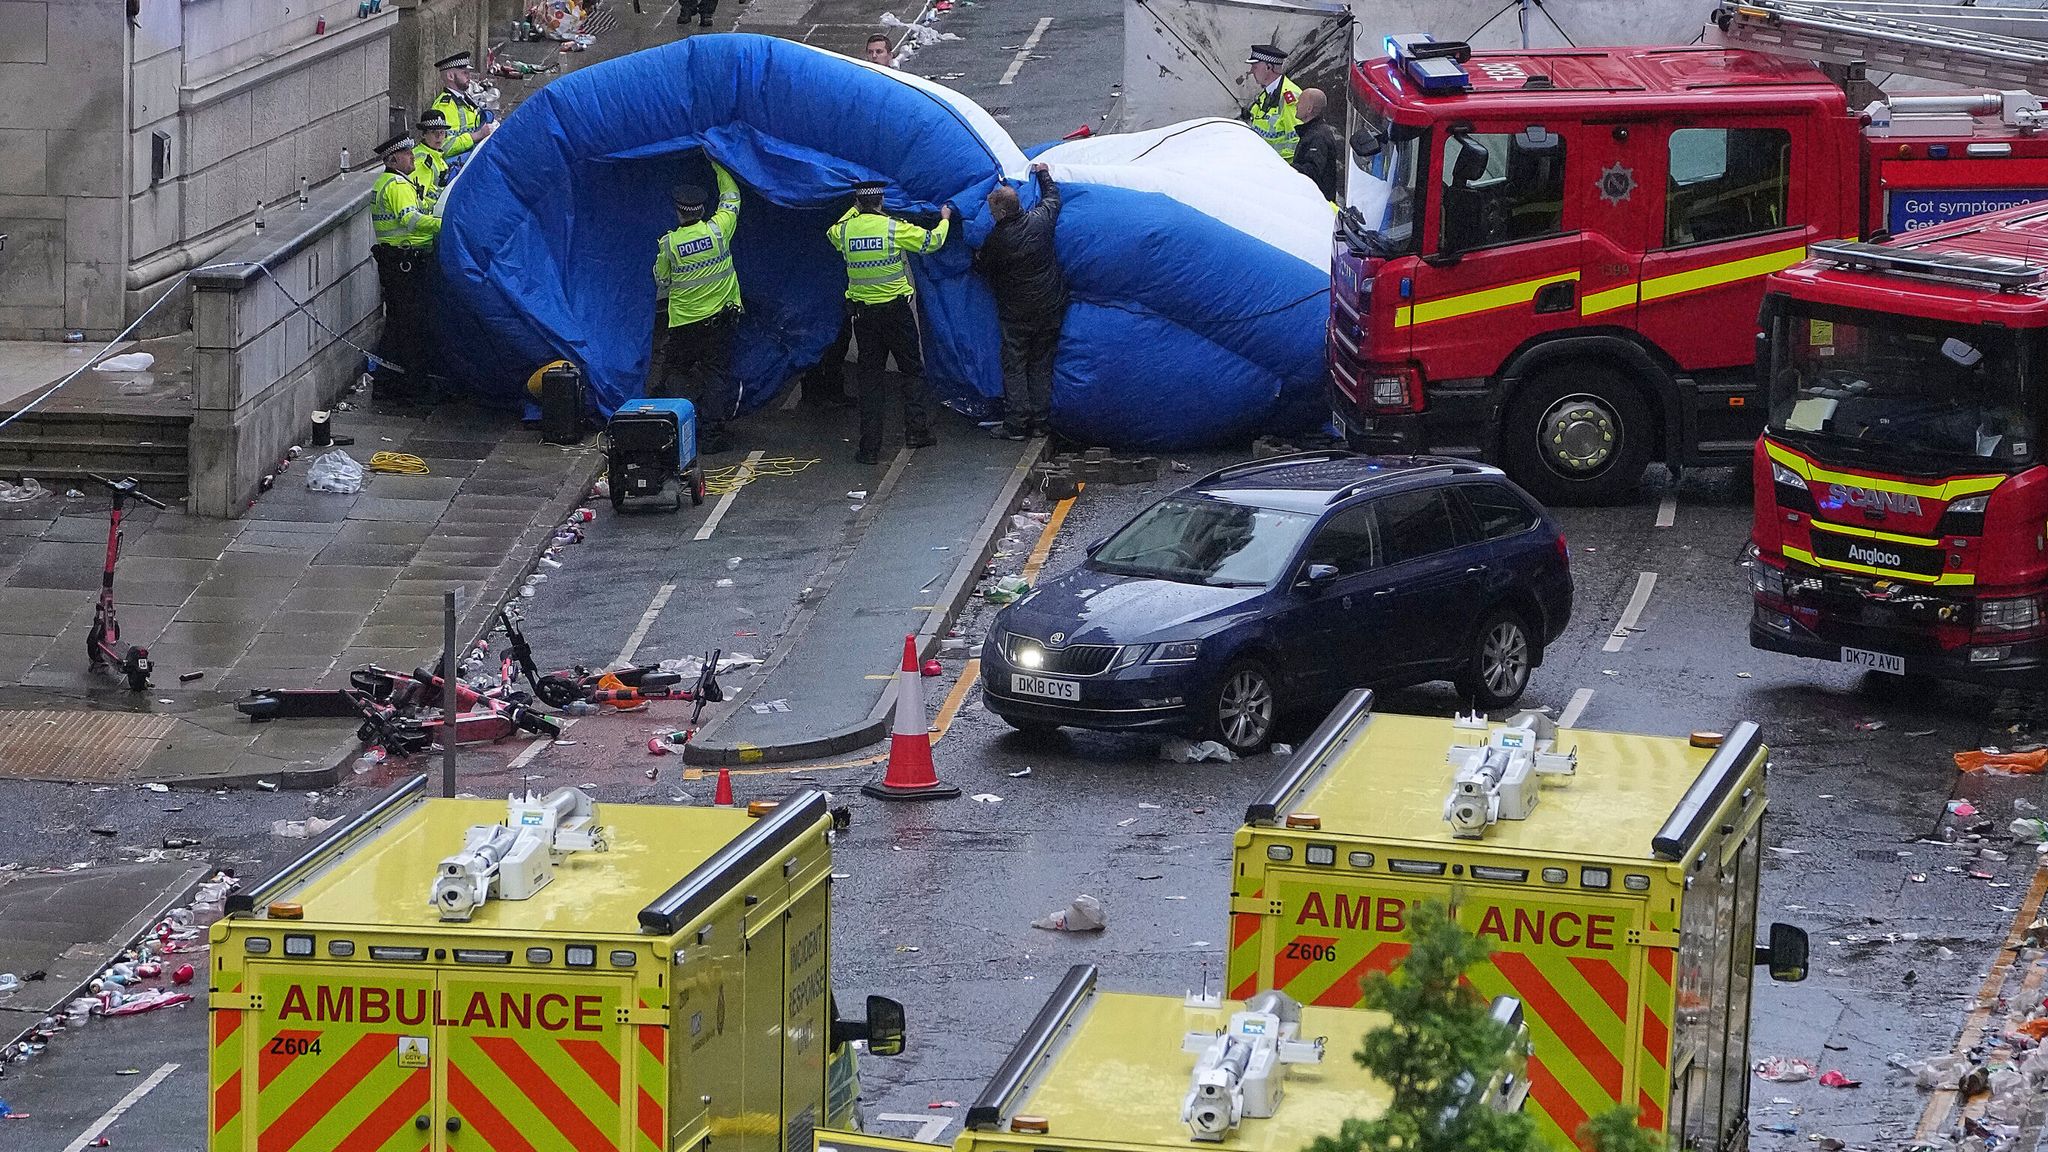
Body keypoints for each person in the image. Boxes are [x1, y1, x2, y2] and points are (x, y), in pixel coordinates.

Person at [827, 179, 952, 464]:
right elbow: (932, 242)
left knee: (870, 380)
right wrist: (944, 220)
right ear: (881, 201)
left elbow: (832, 231)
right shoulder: (894, 228)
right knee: (911, 371)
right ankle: (916, 431)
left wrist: (854, 209)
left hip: (865, 316)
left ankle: (869, 448)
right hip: (896, 313)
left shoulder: (844, 231)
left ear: (858, 203)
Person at [652, 162, 745, 454]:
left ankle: (673, 429)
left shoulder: (669, 244)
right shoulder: (719, 231)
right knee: (716, 375)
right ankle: (713, 436)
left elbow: (662, 280)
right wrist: (718, 162)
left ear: (678, 211)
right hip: (719, 320)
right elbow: (732, 198)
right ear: (703, 210)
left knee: (674, 373)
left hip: (683, 325)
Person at [975, 162, 1065, 440]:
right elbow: (1054, 198)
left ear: (1002, 212)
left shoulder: (997, 240)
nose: (991, 216)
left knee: (1015, 366)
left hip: (1017, 315)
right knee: (1041, 364)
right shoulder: (1040, 221)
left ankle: (1016, 424)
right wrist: (1044, 173)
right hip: (1050, 306)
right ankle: (1039, 423)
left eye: (992, 212)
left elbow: (982, 266)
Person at [369, 133, 441, 404]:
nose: (413, 157)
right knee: (410, 325)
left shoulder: (385, 182)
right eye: (407, 154)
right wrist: (442, 224)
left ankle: (393, 382)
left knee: (399, 324)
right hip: (404, 264)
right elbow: (410, 221)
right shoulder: (397, 185)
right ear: (393, 159)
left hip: (396, 262)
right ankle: (407, 385)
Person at [430, 53, 496, 181]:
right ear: (450, 76)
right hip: (457, 171)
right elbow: (443, 146)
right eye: (464, 73)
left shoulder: (464, 98)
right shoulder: (445, 106)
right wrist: (477, 135)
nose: (469, 78)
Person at [1244, 43, 1302, 162]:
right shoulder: (1266, 93)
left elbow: (1297, 141)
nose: (1251, 71)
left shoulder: (1289, 97)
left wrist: (1272, 160)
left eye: (1255, 67)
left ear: (1268, 67)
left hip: (1279, 169)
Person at [1291, 87, 1342, 205]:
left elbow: (1312, 171)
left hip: (1317, 203)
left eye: (1300, 102)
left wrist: (1287, 169)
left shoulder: (1318, 137)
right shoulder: (1313, 132)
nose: (1296, 105)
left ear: (1309, 109)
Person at [412, 112, 453, 210]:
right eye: (434, 132)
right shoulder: (422, 160)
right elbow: (417, 198)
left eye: (442, 132)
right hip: (430, 217)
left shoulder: (437, 156)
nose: (439, 136)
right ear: (423, 134)